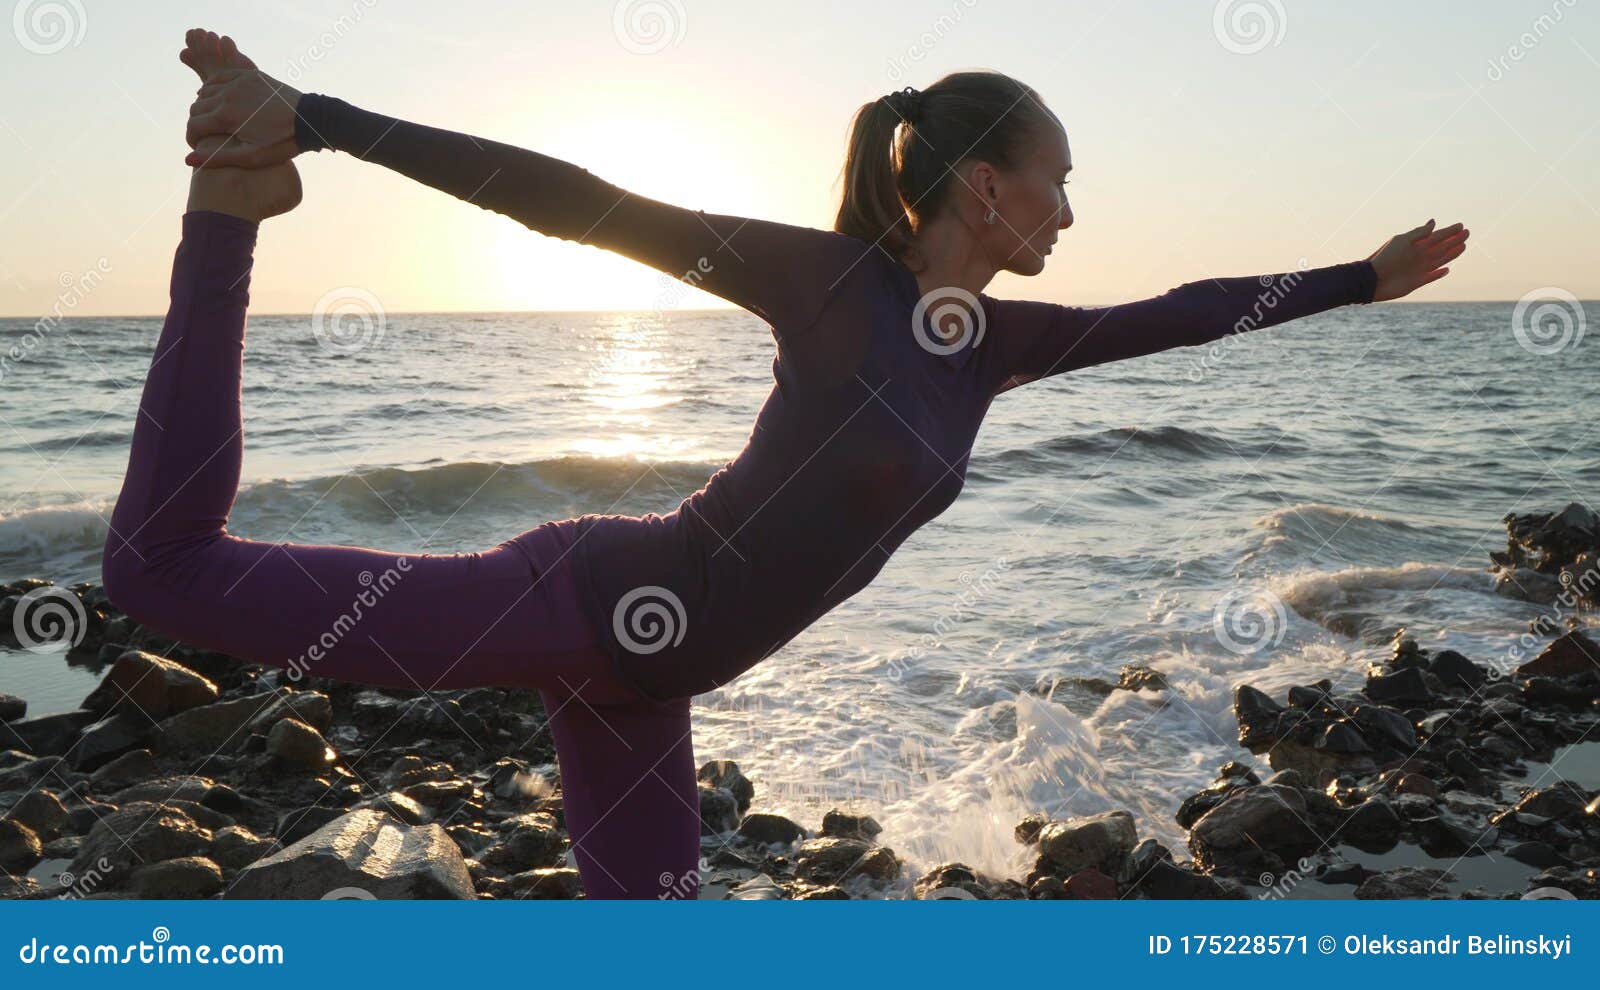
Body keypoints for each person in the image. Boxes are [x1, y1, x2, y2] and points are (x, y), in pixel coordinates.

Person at [105, 29, 1470, 900]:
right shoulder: (827, 283)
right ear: (983, 183)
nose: (1071, 205)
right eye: (1059, 173)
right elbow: (577, 200)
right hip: (580, 595)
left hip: (649, 681)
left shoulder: (993, 343)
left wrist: (1362, 277)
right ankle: (229, 196)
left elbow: (1185, 310)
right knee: (161, 573)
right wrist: (323, 119)